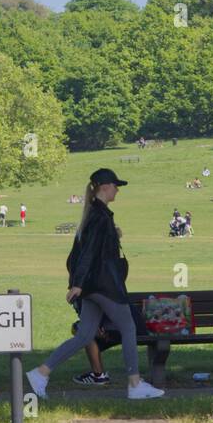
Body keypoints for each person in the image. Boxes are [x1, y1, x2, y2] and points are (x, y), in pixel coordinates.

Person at [27, 168, 163, 401]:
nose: (118, 190)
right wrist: (77, 284)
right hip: (103, 285)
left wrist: (113, 235)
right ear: (105, 187)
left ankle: (41, 373)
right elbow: (88, 253)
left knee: (85, 335)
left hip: (92, 286)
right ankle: (134, 383)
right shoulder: (99, 217)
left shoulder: (96, 215)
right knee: (128, 327)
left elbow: (87, 250)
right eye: (115, 186)